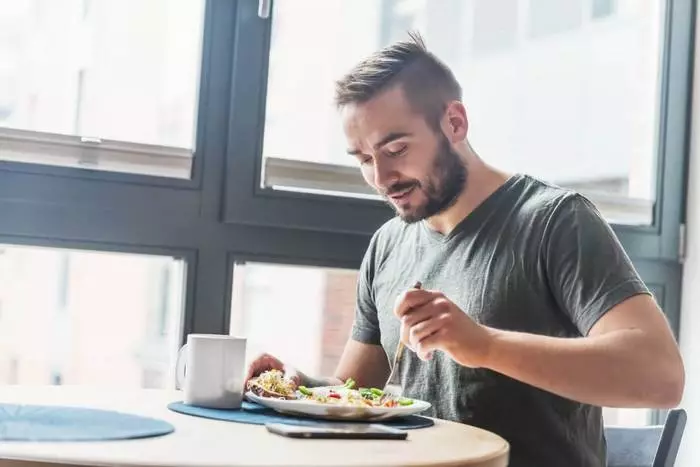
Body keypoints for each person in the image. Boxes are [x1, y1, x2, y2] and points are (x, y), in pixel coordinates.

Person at [245, 32, 685, 466]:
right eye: (363, 159)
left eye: (396, 148)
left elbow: (660, 376)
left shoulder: (556, 221)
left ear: (454, 123)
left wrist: (485, 345)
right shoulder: (388, 245)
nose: (381, 178)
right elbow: (355, 394)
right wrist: (295, 387)